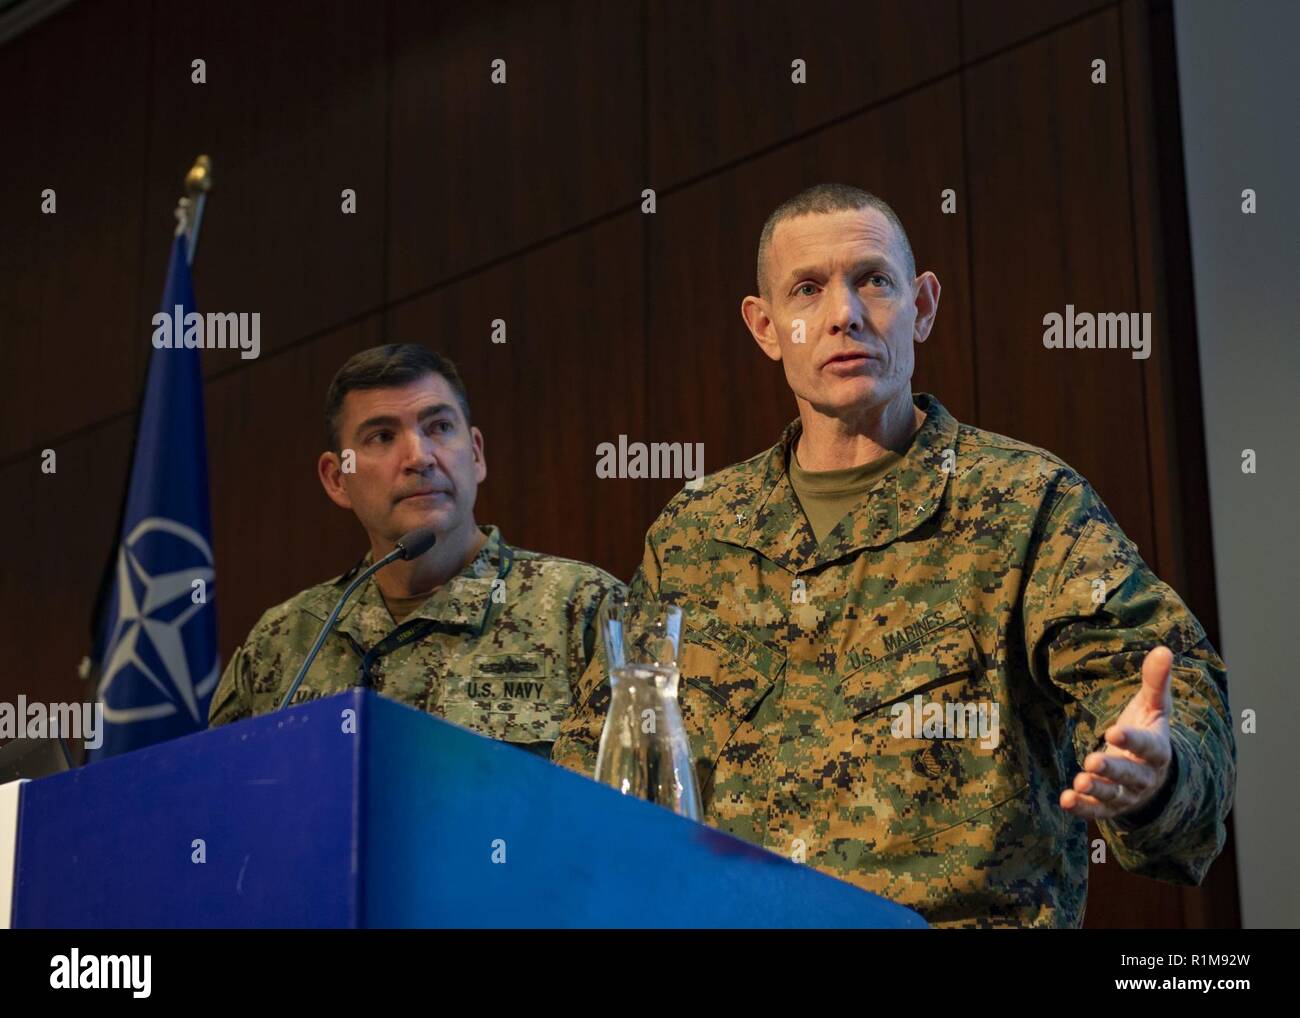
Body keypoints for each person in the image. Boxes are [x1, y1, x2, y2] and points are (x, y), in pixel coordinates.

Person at [551, 183, 1235, 926]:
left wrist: (1159, 775)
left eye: (873, 280)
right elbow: (596, 774)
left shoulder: (1024, 503)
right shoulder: (692, 535)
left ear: (924, 305)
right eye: (807, 290)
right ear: (767, 327)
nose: (844, 313)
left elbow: (1165, 695)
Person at [209, 344, 622, 758]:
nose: (419, 457)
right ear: (337, 479)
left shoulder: (588, 609)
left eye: (439, 427)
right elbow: (217, 802)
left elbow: (648, 803)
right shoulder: (282, 642)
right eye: (382, 437)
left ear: (476, 454)